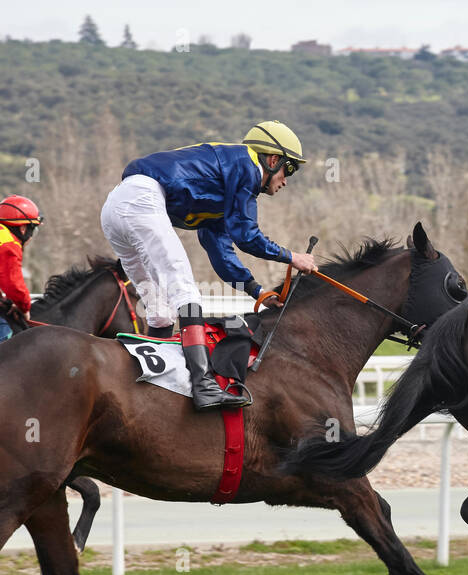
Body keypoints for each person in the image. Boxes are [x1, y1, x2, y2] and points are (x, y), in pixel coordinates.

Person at [100, 121, 317, 410]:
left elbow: (221, 252)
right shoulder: (247, 167)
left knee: (161, 311)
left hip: (115, 208)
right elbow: (247, 236)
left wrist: (256, 290)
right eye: (289, 169)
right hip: (141, 200)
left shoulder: (223, 188)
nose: (286, 180)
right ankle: (203, 385)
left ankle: (152, 387)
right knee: (186, 292)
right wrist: (292, 256)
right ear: (273, 159)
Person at [0, 196, 43, 352]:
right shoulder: (8, 242)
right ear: (24, 229)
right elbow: (12, 283)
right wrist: (24, 308)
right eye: (33, 230)